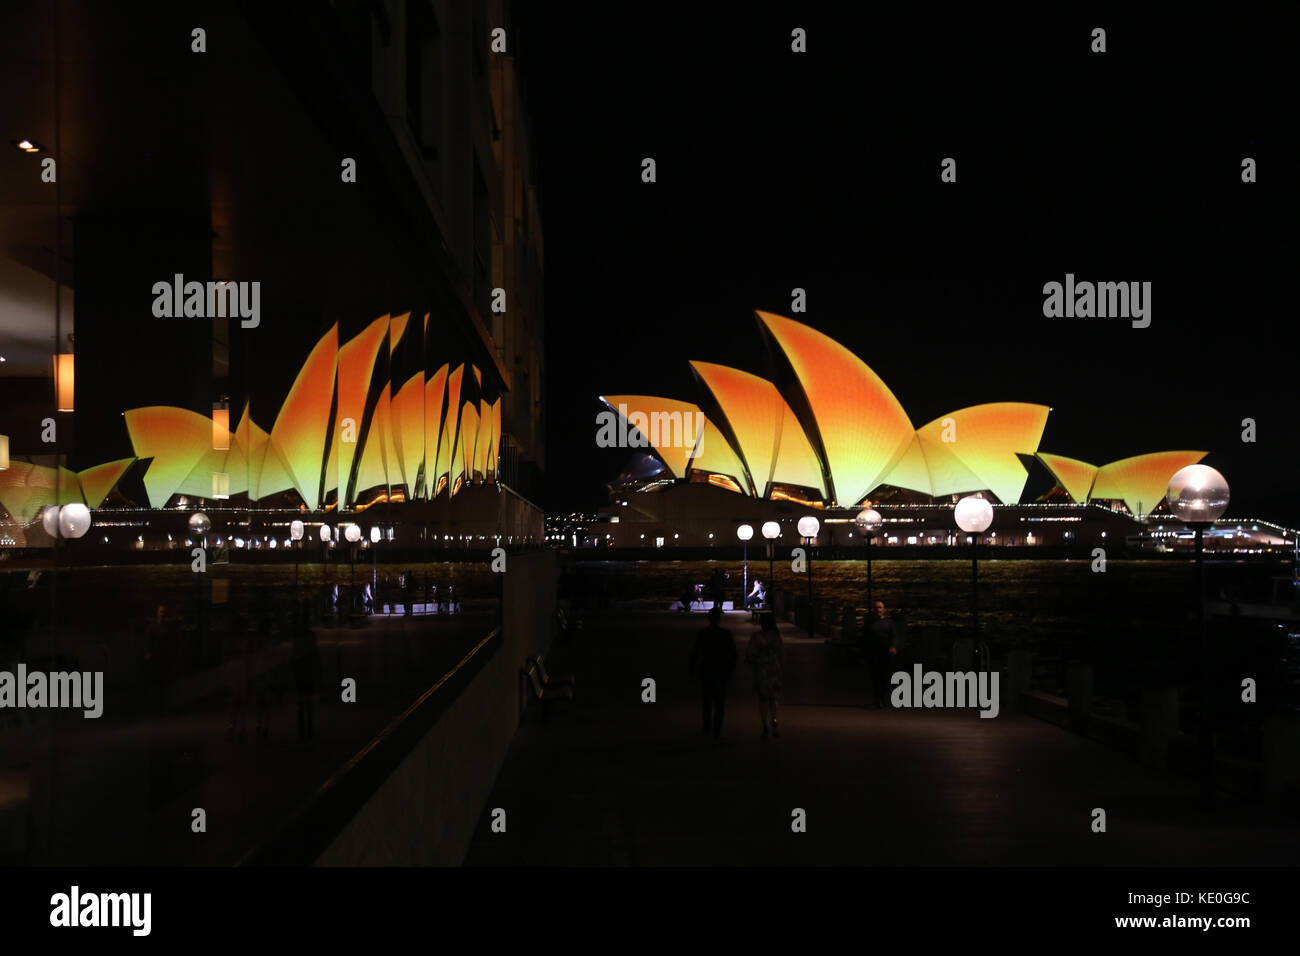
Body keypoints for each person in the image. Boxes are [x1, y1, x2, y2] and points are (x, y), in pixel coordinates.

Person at [689, 606, 738, 738]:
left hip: (706, 668)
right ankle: (717, 728)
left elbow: (696, 653)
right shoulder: (726, 634)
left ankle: (706, 727)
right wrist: (730, 670)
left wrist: (691, 670)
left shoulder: (703, 633)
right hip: (721, 670)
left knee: (706, 700)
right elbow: (733, 654)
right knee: (719, 702)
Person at [745, 612, 784, 736]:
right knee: (773, 698)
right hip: (774, 669)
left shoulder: (757, 637)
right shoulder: (776, 637)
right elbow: (781, 654)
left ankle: (764, 724)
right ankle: (774, 720)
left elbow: (750, 654)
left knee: (762, 698)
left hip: (761, 669)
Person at [865, 599, 906, 708]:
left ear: (884, 609)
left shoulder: (889, 623)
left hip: (885, 653)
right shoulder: (870, 623)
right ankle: (876, 700)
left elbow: (895, 636)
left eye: (880, 607)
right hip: (874, 653)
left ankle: (883, 699)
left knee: (884, 676)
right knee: (875, 677)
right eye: (876, 608)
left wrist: (893, 646)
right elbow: (867, 637)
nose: (878, 610)